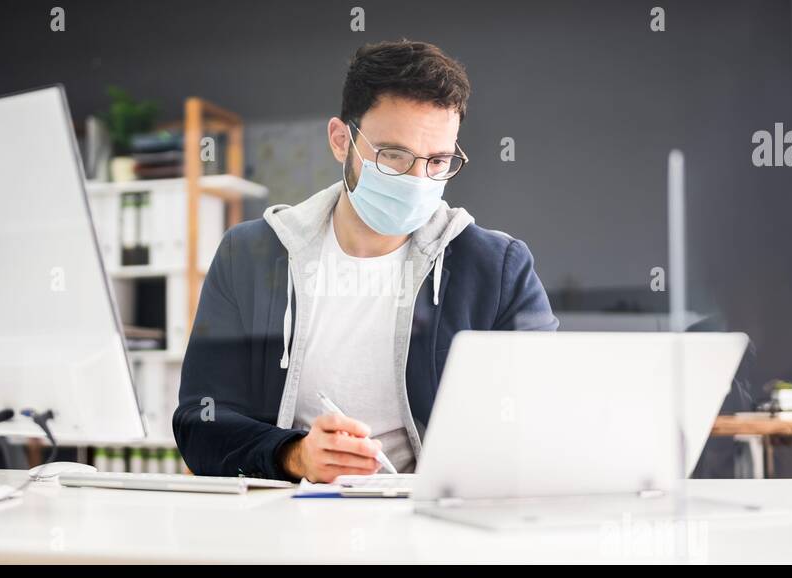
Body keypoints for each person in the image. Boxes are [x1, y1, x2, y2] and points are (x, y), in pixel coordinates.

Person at [173, 40, 557, 482]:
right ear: (342, 140)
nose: (417, 181)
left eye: (438, 161)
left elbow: (540, 423)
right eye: (393, 155)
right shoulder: (250, 256)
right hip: (287, 522)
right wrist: (294, 455)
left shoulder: (498, 269)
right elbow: (199, 424)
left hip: (432, 531)